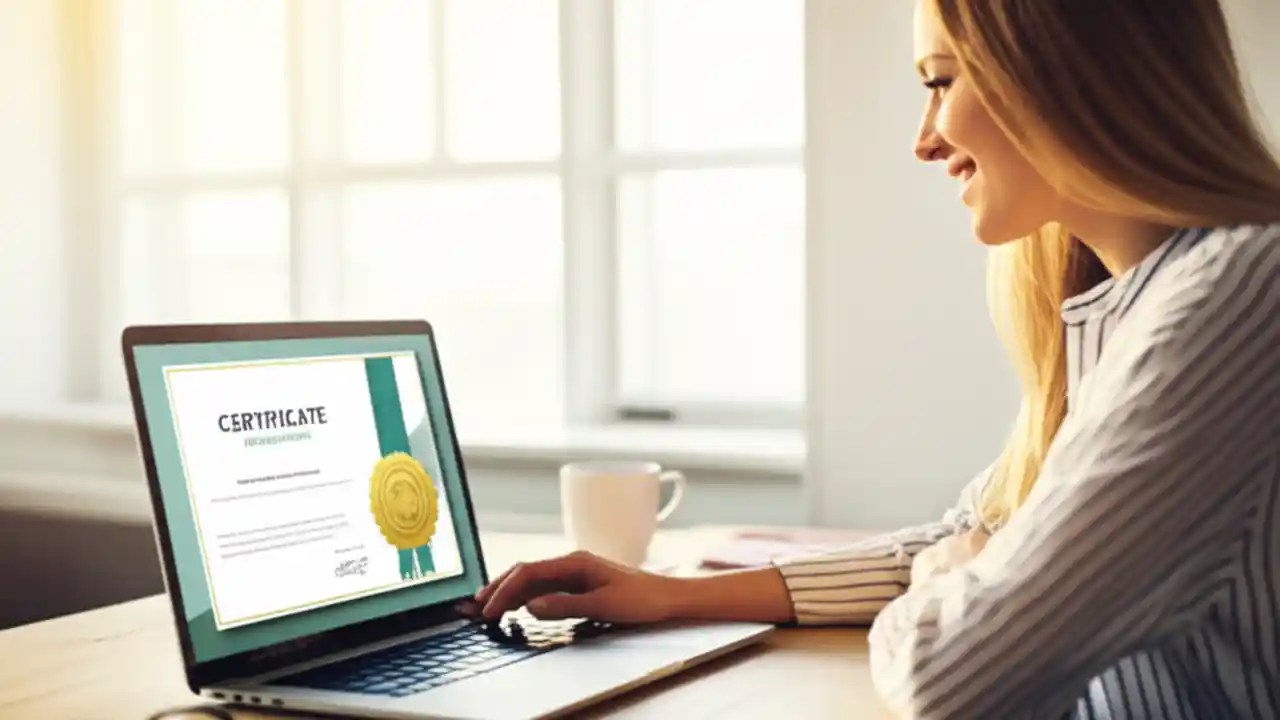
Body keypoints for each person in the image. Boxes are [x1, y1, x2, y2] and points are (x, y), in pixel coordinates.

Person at [460, 0, 1280, 716]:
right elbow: (974, 536)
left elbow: (951, 673)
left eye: (940, 81)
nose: (925, 141)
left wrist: (955, 576)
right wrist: (672, 595)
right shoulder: (1142, 302)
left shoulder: (1238, 295)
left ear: (1061, 68)